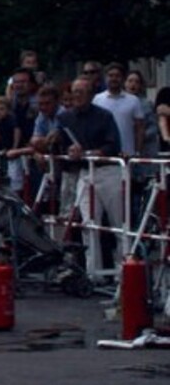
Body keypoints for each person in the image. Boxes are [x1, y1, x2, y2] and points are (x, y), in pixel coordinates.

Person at [58, 76, 122, 279]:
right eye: (75, 92)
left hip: (107, 171)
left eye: (81, 92)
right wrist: (68, 150)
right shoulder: (65, 118)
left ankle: (123, 271)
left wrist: (93, 152)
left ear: (91, 95)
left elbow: (113, 145)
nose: (77, 96)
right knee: (88, 223)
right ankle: (93, 273)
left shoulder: (104, 116)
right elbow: (60, 147)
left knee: (118, 224)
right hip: (85, 173)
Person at [93, 62, 144, 157]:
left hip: (128, 154)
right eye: (110, 75)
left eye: (117, 76)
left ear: (123, 79)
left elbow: (139, 128)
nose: (114, 79)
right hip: (105, 154)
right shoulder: (97, 99)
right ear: (105, 78)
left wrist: (137, 151)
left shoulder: (133, 100)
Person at [0, 96, 21, 189]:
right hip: (2, 150)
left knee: (14, 177)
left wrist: (15, 147)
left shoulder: (11, 119)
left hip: (14, 152)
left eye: (1, 109)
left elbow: (16, 132)